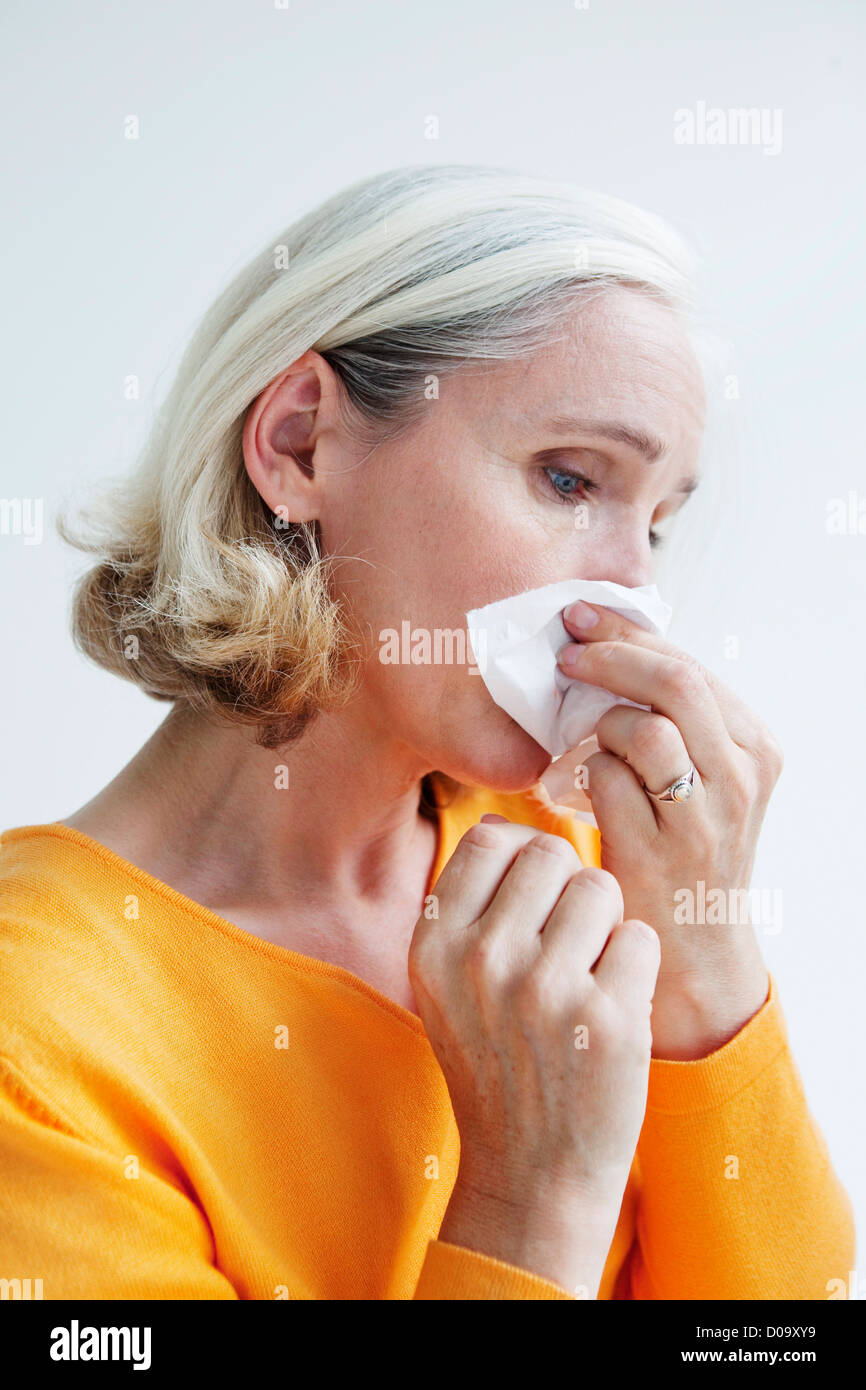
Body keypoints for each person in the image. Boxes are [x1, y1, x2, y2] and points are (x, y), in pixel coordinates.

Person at [0, 164, 854, 1300]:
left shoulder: (575, 867)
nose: (632, 592)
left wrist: (703, 964)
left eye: (654, 524)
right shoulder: (38, 1031)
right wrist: (521, 1200)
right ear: (302, 444)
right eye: (567, 479)